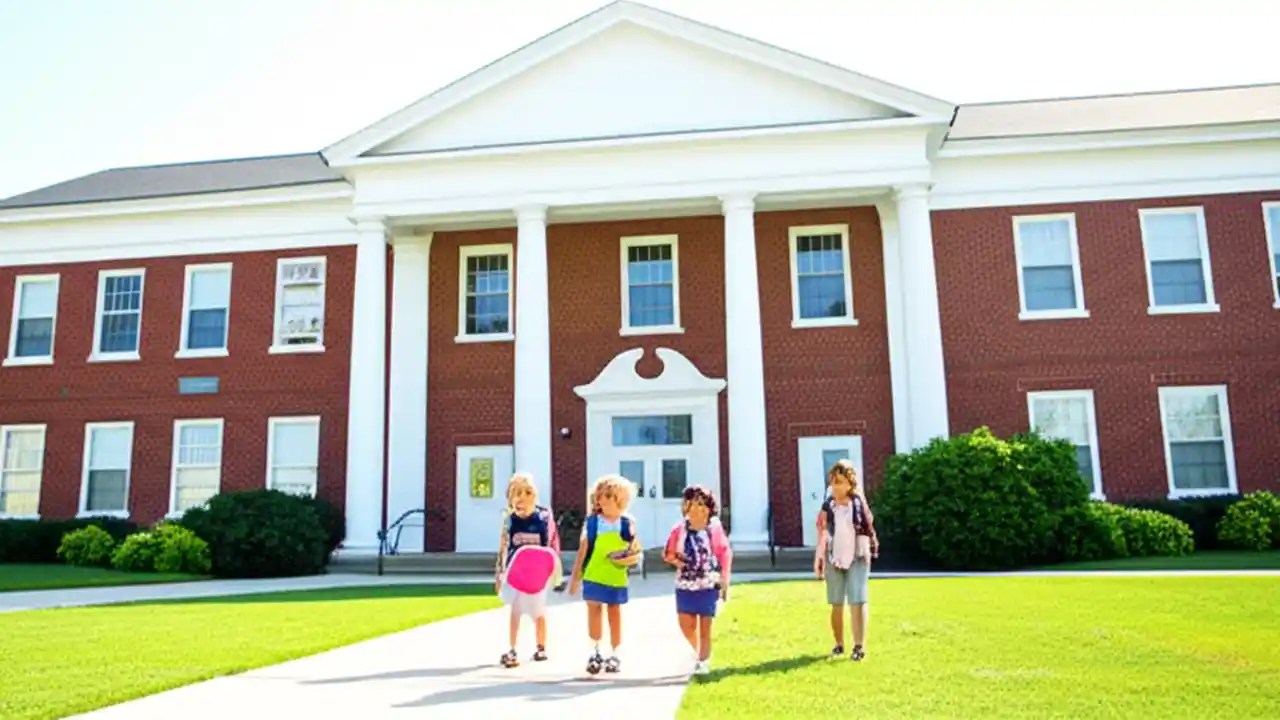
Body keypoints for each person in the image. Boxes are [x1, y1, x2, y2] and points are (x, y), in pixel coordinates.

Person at [568, 474, 641, 675]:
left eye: (610, 496)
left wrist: (628, 557)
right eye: (602, 496)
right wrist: (575, 578)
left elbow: (635, 550)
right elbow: (583, 551)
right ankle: (594, 650)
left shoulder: (627, 523)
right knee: (593, 610)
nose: (605, 501)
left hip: (616, 577)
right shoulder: (593, 523)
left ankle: (616, 653)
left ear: (622, 500)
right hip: (593, 575)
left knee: (614, 612)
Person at [813, 459, 879, 661]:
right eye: (832, 481)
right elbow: (823, 532)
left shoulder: (858, 504)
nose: (835, 486)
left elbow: (868, 525)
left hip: (858, 555)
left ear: (850, 483)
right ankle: (839, 644)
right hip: (834, 557)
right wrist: (819, 557)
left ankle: (859, 646)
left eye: (840, 481)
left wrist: (869, 547)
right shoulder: (828, 506)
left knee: (858, 601)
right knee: (836, 603)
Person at [662, 485, 732, 675]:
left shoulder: (713, 529)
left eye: (701, 504)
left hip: (708, 583)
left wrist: (725, 580)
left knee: (705, 626)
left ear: (709, 508)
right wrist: (678, 562)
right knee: (686, 624)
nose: (696, 508)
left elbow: (724, 553)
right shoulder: (679, 529)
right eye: (691, 503)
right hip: (685, 584)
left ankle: (703, 660)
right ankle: (697, 650)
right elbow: (667, 554)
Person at [494, 473, 561, 668]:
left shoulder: (543, 518)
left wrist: (553, 572)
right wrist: (499, 572)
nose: (521, 498)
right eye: (516, 494)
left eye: (527, 493)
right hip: (516, 574)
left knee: (539, 612)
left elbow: (551, 545)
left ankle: (541, 648)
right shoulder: (510, 521)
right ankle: (512, 648)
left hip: (537, 575)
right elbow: (503, 547)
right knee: (515, 611)